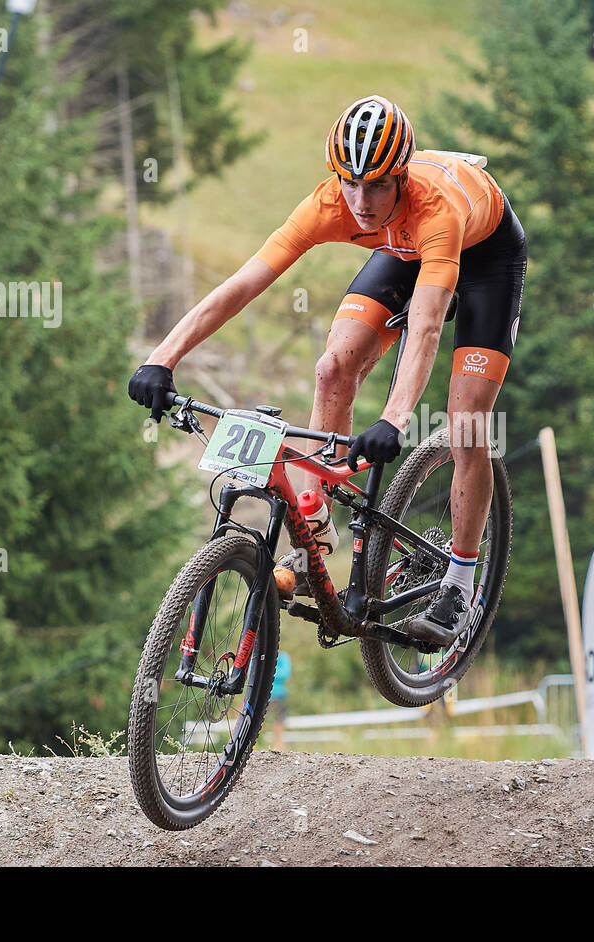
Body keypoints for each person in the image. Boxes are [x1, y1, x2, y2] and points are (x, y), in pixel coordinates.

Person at [128, 95, 528, 647]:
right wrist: (161, 358)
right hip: (402, 247)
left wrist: (393, 418)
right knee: (331, 369)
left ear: (402, 178)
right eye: (350, 183)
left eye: (378, 185)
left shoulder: (433, 208)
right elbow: (242, 285)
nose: (361, 201)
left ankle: (460, 579)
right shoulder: (329, 205)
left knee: (466, 421)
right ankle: (313, 533)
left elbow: (429, 326)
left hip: (484, 256)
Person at [270, 650, 291, 750]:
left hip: (280, 695)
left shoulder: (283, 656)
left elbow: (286, 674)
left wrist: (269, 672)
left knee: (280, 722)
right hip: (267, 697)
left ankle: (279, 745)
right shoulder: (260, 655)